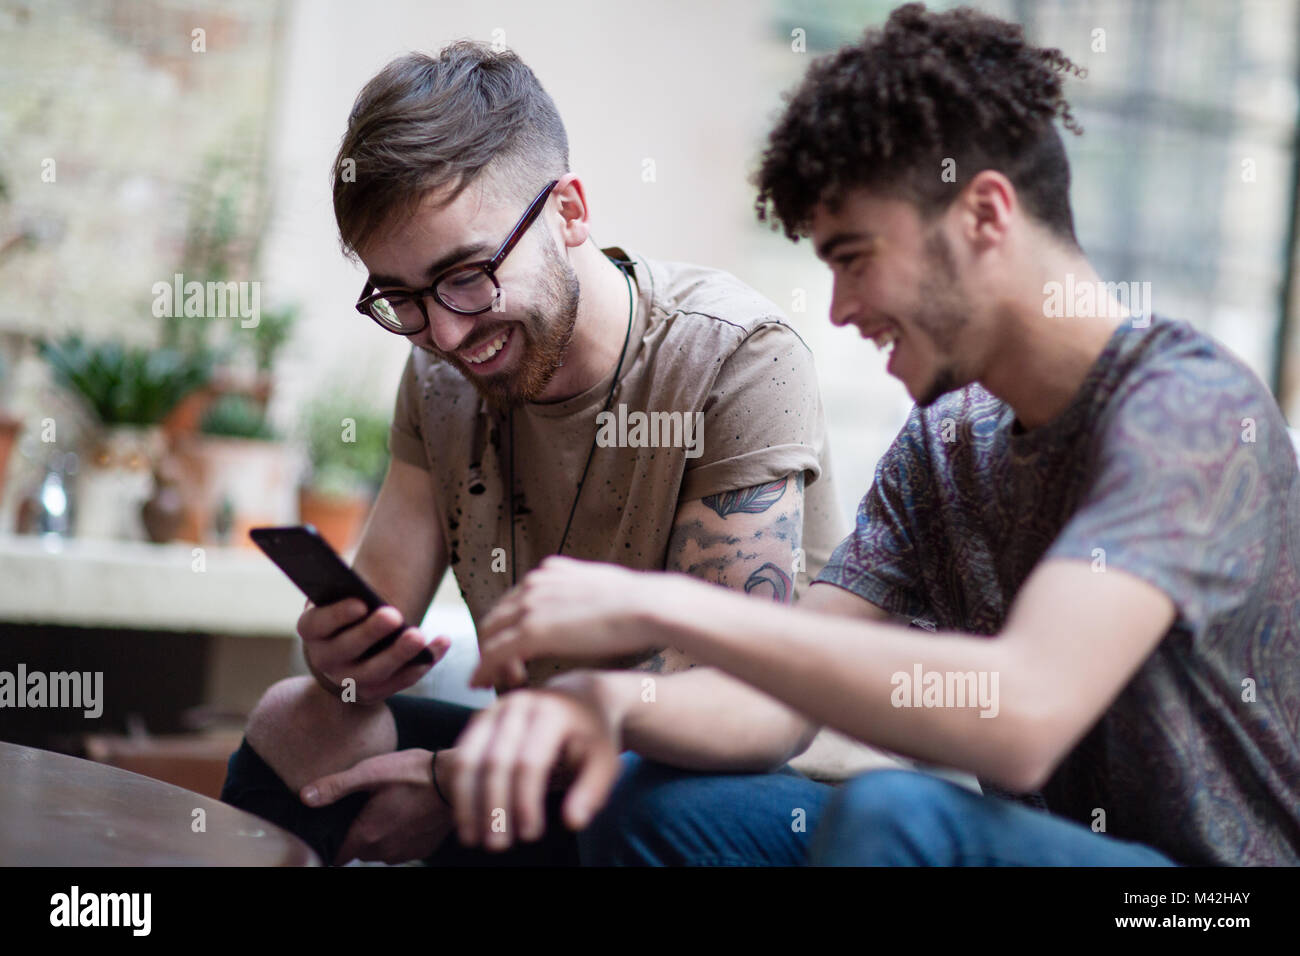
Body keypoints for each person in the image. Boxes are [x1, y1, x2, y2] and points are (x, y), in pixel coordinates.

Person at [470, 3, 1300, 866]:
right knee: (651, 807)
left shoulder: (1189, 410)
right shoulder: (944, 447)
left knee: (893, 812)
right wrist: (608, 705)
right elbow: (776, 704)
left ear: (985, 214)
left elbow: (1022, 718)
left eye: (856, 258)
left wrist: (658, 601)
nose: (840, 310)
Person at [218, 39, 848, 866]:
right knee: (291, 721)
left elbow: (732, 701)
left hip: (756, 776)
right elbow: (369, 634)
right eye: (400, 297)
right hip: (551, 750)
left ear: (569, 212)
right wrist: (342, 661)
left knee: (615, 799)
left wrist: (453, 779)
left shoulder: (736, 358)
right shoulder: (440, 378)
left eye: (468, 275)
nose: (444, 332)